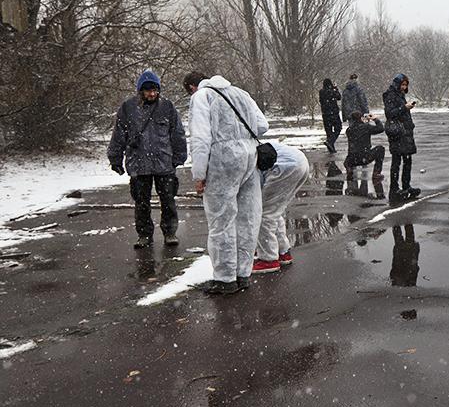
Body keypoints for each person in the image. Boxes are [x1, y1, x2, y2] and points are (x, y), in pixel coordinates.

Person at [184, 71, 269, 295]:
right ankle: (243, 274)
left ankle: (224, 278)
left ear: (193, 87)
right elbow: (262, 126)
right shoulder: (241, 93)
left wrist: (199, 175)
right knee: (247, 218)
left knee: (221, 220)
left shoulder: (202, 97)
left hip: (222, 159)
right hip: (250, 156)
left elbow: (201, 139)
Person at [107, 70, 188, 248]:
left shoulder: (167, 107)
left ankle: (169, 232)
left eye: (155, 90)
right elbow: (119, 135)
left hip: (164, 162)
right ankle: (144, 235)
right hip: (139, 163)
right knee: (141, 202)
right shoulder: (128, 108)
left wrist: (179, 157)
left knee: (168, 200)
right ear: (140, 91)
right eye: (148, 90)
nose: (152, 94)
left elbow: (177, 133)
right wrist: (115, 158)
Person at [252, 141, 310, 275]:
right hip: (298, 161)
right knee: (274, 211)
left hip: (285, 166)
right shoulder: (248, 143)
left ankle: (268, 259)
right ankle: (282, 251)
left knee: (264, 213)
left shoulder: (239, 151)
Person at [383, 73, 419, 202]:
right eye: (402, 85)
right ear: (397, 84)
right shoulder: (390, 95)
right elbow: (390, 113)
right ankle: (394, 188)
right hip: (397, 133)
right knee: (397, 161)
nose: (404, 87)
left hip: (405, 132)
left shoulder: (400, 95)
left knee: (407, 160)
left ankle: (406, 186)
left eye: (405, 85)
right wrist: (404, 108)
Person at [343, 111, 386, 181]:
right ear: (361, 118)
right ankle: (376, 173)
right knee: (380, 149)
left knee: (346, 162)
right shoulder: (366, 127)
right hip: (365, 157)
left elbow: (358, 131)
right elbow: (381, 128)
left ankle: (349, 169)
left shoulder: (349, 130)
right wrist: (375, 119)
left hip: (352, 159)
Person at [318, 78, 342, 153]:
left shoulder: (321, 92)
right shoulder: (332, 91)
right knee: (338, 128)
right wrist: (335, 88)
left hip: (325, 114)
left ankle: (331, 148)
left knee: (329, 131)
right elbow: (339, 97)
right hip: (334, 113)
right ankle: (330, 141)